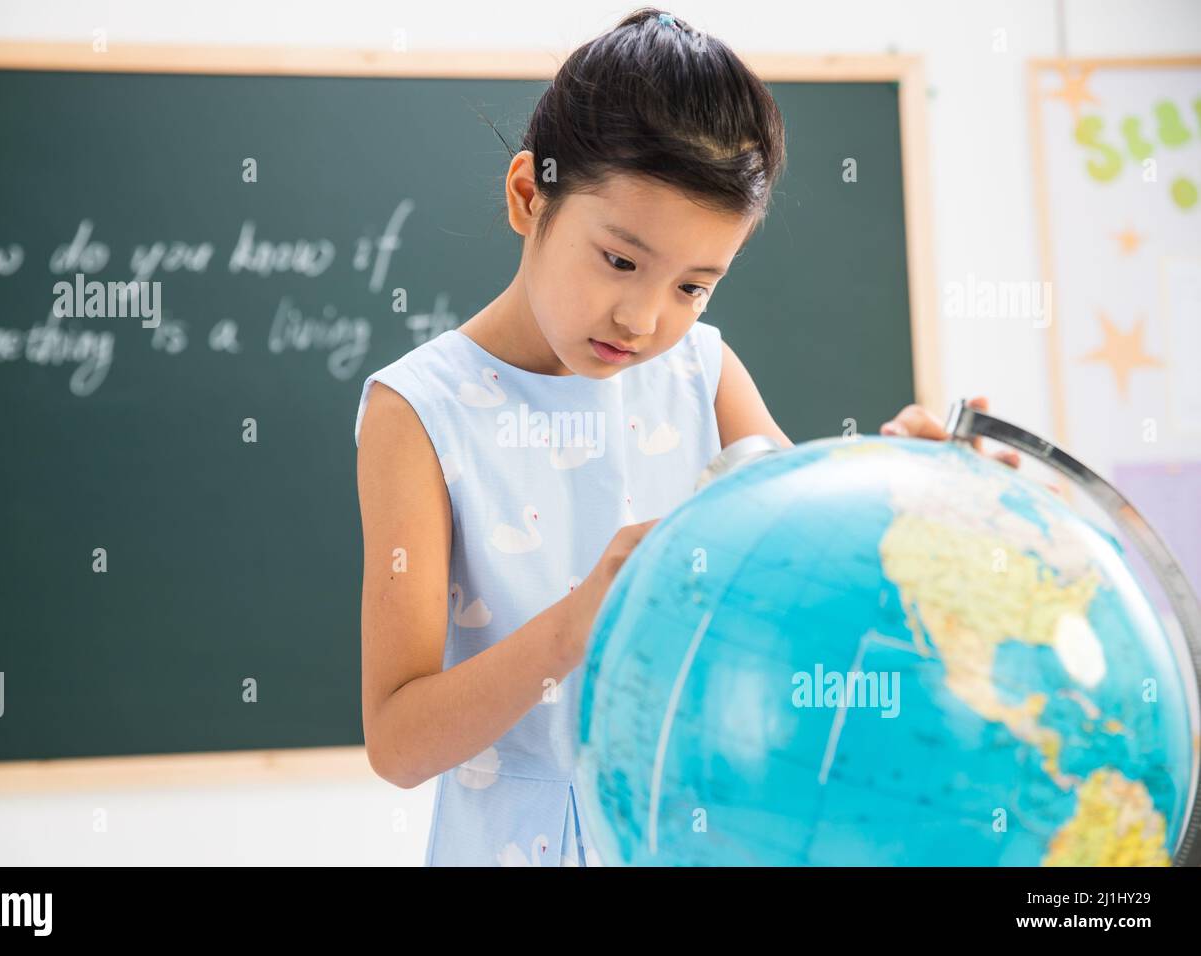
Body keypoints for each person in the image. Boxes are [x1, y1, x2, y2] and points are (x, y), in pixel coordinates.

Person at [353, 7, 1019, 866]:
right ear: (530, 195)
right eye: (621, 261)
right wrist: (572, 628)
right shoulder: (417, 410)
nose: (643, 318)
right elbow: (398, 742)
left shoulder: (700, 371)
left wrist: (921, 502)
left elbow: (816, 581)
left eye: (695, 285)